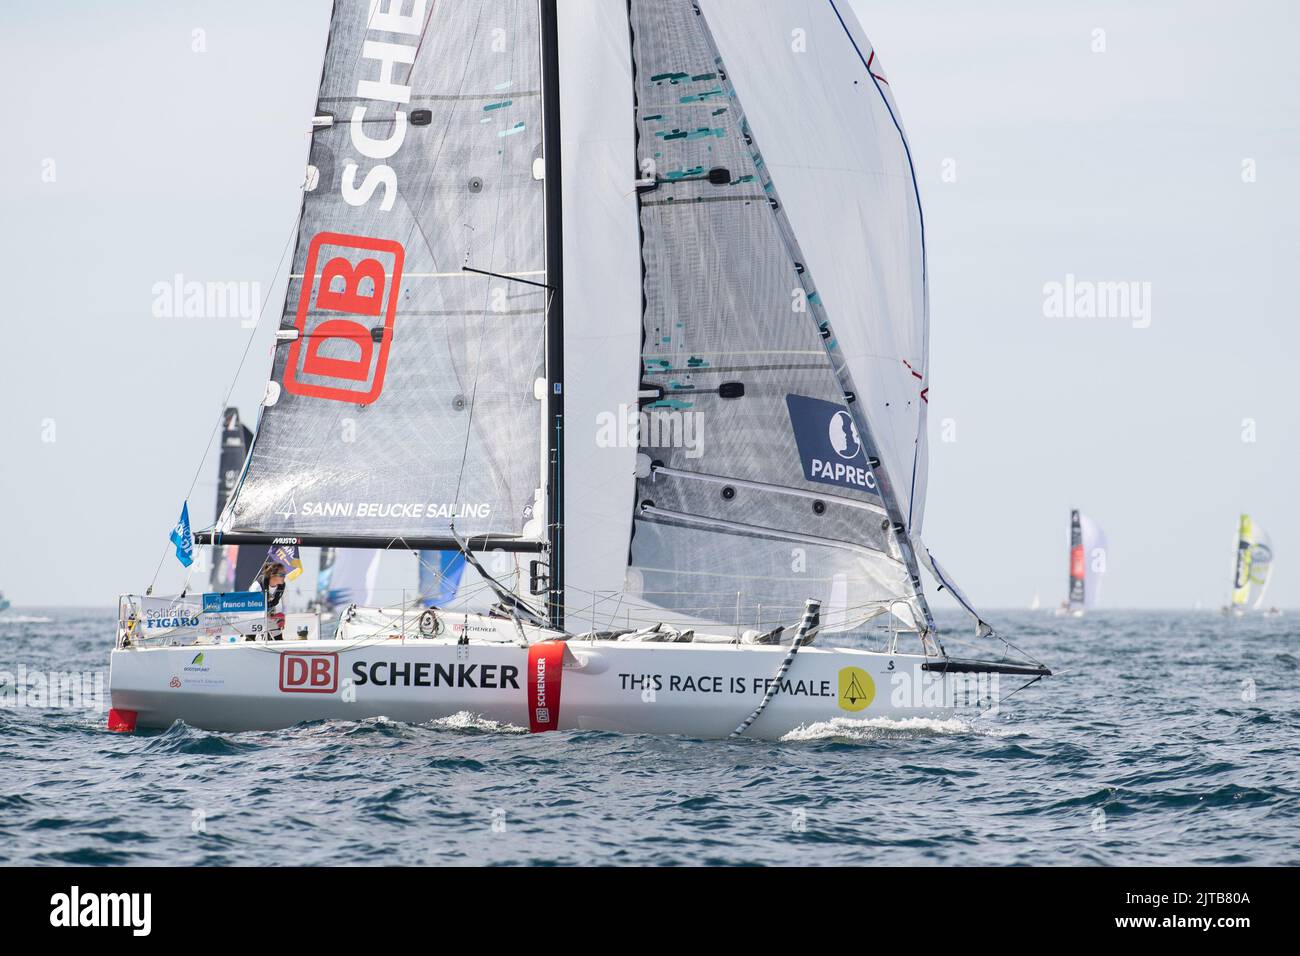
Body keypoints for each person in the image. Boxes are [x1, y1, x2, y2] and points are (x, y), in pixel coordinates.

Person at [252, 562, 287, 641]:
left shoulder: (282, 586)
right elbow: (252, 606)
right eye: (282, 575)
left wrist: (282, 617)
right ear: (272, 574)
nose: (284, 577)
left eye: (285, 574)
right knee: (250, 638)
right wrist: (265, 616)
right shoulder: (257, 586)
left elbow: (284, 605)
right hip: (253, 617)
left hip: (270, 616)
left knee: (278, 639)